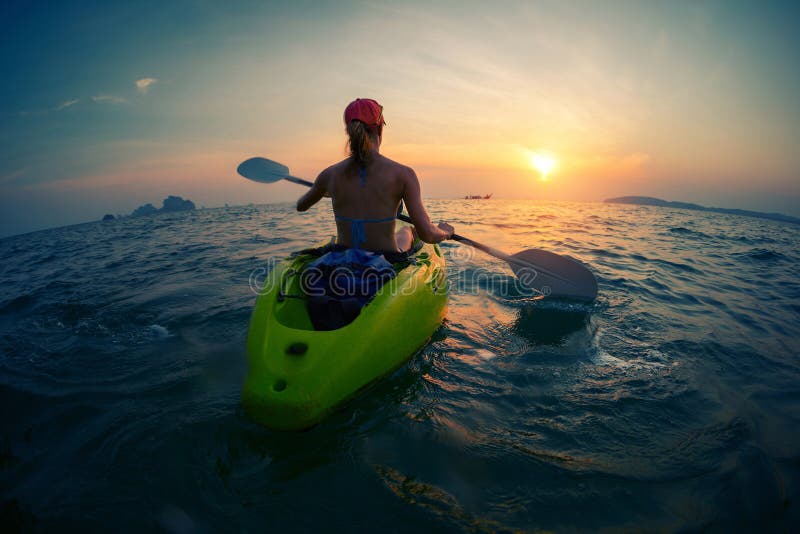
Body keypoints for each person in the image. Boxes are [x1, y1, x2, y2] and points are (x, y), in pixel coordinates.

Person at [297, 98, 454, 255]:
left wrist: (322, 189)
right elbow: (428, 234)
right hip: (383, 264)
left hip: (340, 258)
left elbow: (301, 206)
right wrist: (445, 232)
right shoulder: (404, 174)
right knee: (407, 230)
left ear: (349, 131)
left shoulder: (329, 175)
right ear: (380, 129)